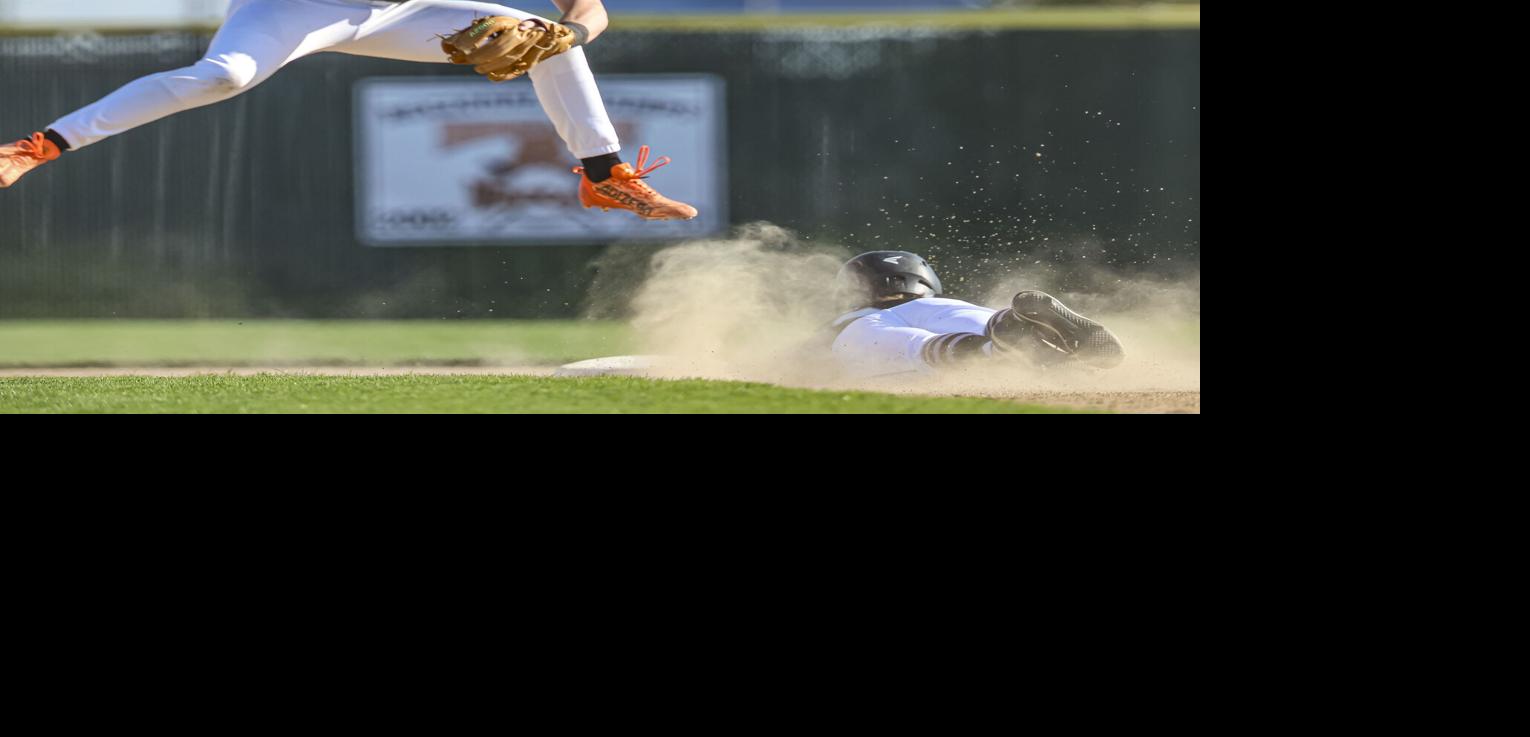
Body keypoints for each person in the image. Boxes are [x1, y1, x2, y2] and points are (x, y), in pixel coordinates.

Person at [0, 0, 696, 220]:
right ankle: (35, 147)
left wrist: (570, 30)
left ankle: (602, 173)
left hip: (401, 11)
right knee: (227, 74)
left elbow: (586, 10)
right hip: (296, 7)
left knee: (547, 43)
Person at [829, 251, 1125, 379]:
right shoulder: (936, 304)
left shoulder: (848, 321)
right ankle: (1011, 328)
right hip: (943, 309)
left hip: (861, 326)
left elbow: (799, 361)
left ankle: (991, 352)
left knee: (915, 349)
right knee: (983, 321)